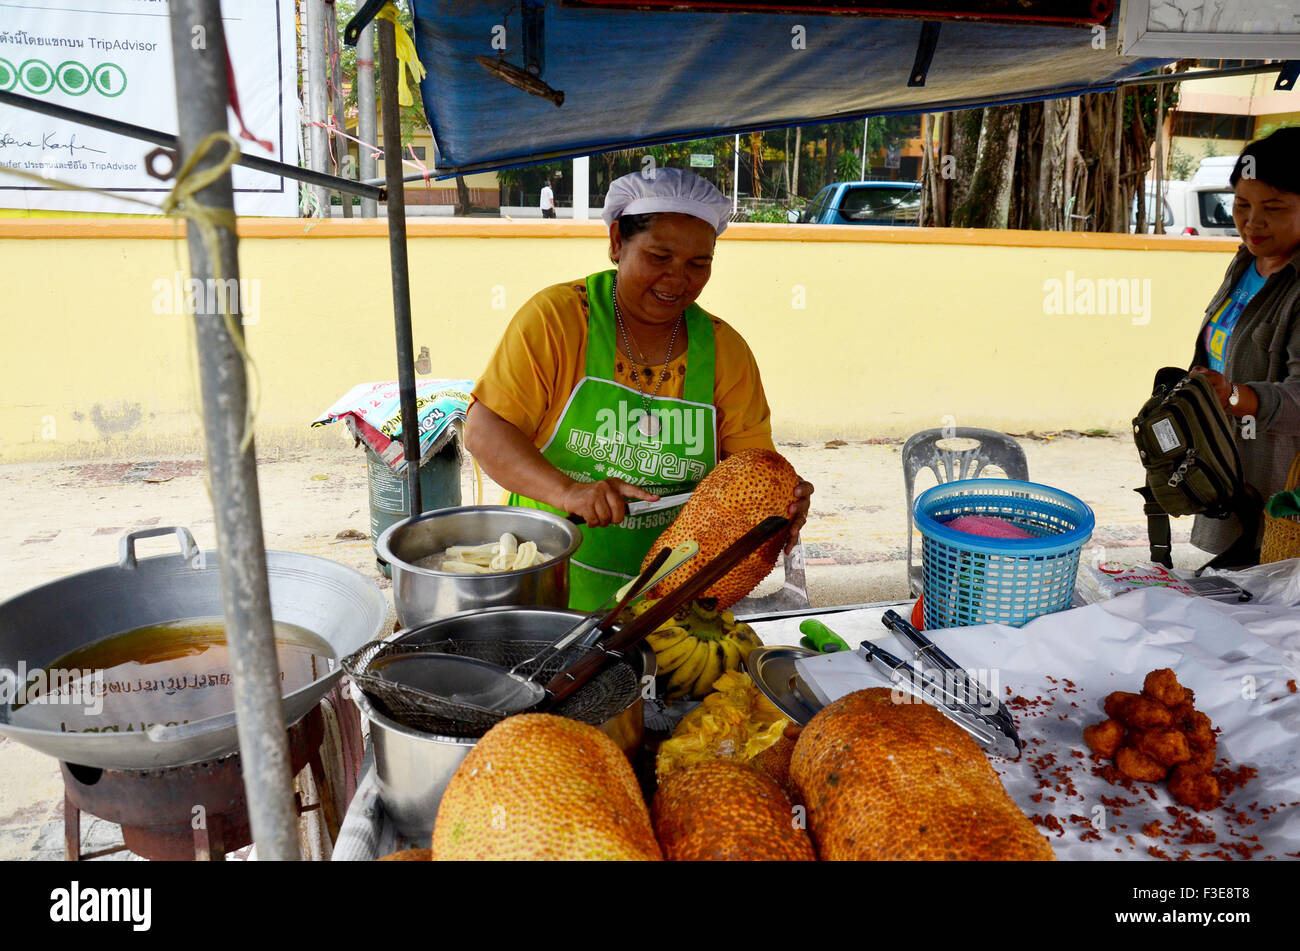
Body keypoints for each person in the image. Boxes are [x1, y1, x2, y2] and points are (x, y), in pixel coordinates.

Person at [466, 167, 813, 609]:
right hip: (545, 582)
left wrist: (781, 503)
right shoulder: (559, 319)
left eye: (698, 264)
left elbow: (751, 475)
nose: (677, 279)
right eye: (658, 257)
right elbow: (484, 429)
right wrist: (569, 493)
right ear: (616, 241)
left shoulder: (727, 352)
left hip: (671, 598)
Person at [1186, 126, 1300, 559]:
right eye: (1241, 204)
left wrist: (1235, 396)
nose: (1253, 221)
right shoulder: (1246, 263)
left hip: (1280, 490)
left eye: (1274, 207)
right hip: (1232, 468)